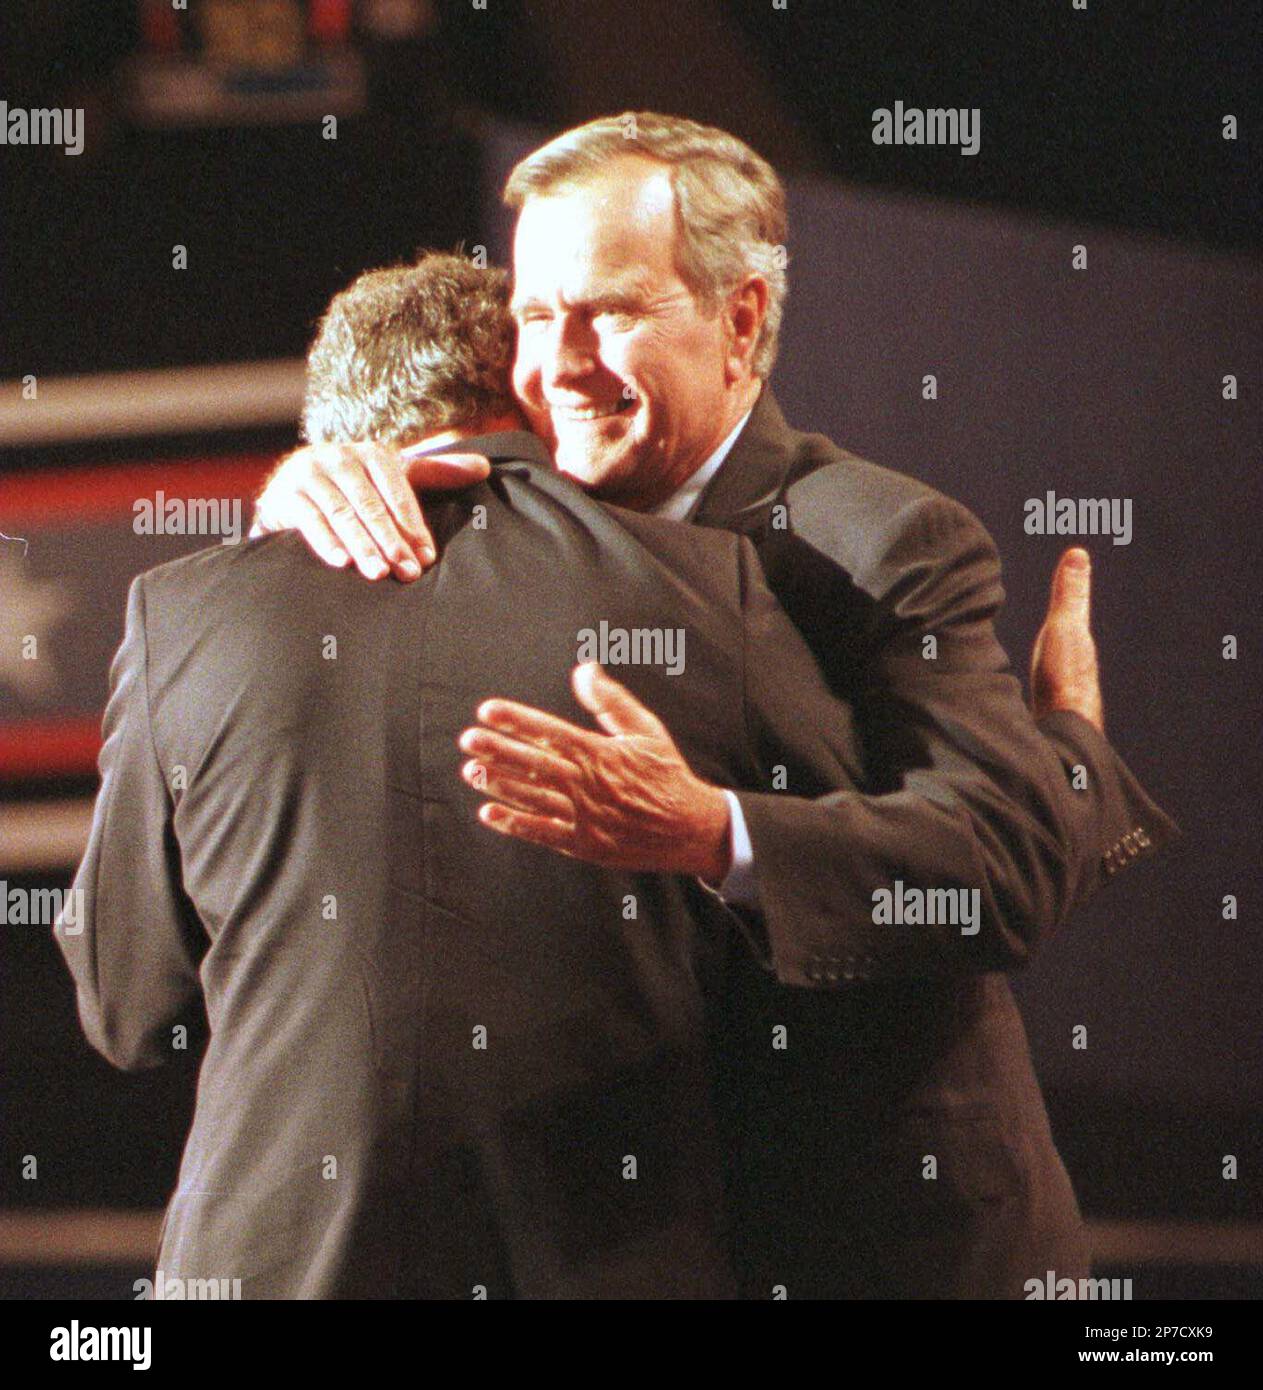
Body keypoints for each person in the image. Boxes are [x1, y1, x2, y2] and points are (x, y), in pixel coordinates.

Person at [251, 114, 1178, 1297]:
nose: (561, 365)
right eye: (537, 316)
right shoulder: (489, 524)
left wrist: (714, 831)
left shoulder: (877, 542)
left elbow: (1000, 861)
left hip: (884, 1250)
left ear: (741, 319)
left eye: (613, 312)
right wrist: (312, 482)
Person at [56, 252, 888, 1298]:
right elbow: (862, 926)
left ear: (331, 439)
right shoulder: (713, 587)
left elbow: (128, 1008)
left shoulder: (179, 615)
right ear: (533, 390)